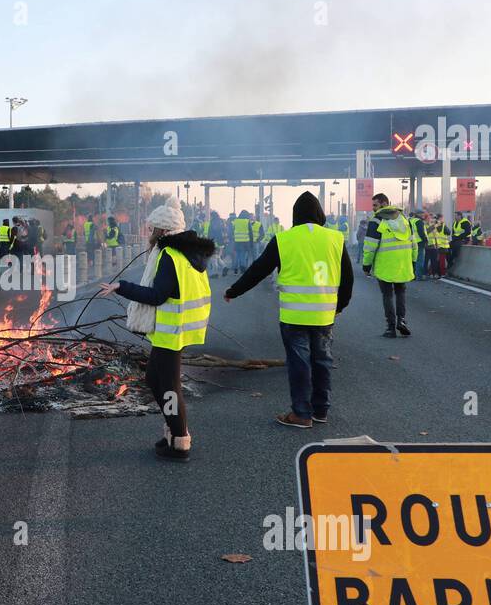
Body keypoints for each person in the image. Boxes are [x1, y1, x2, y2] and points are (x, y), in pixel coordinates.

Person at [225, 191, 353, 429]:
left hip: (294, 316)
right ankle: (321, 411)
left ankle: (301, 413)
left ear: (295, 215)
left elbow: (258, 269)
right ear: (319, 214)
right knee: (322, 361)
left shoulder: (284, 239)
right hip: (324, 315)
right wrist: (339, 306)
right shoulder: (336, 239)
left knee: (299, 363)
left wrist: (234, 291)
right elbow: (347, 278)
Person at [101, 197, 213, 461]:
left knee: (170, 386)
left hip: (171, 330)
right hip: (180, 327)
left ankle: (180, 440)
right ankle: (173, 432)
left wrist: (122, 287)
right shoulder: (189, 253)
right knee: (154, 379)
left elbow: (157, 295)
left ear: (163, 231)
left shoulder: (170, 255)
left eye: (153, 229)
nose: (150, 234)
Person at [361, 196, 417, 337]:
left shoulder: (376, 221)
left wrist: (366, 266)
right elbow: (413, 243)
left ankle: (391, 327)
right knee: (401, 292)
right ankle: (402, 321)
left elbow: (370, 246)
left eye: (375, 205)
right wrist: (413, 262)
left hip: (385, 264)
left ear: (384, 203)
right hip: (403, 263)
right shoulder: (405, 220)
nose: (373, 208)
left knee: (387, 295)